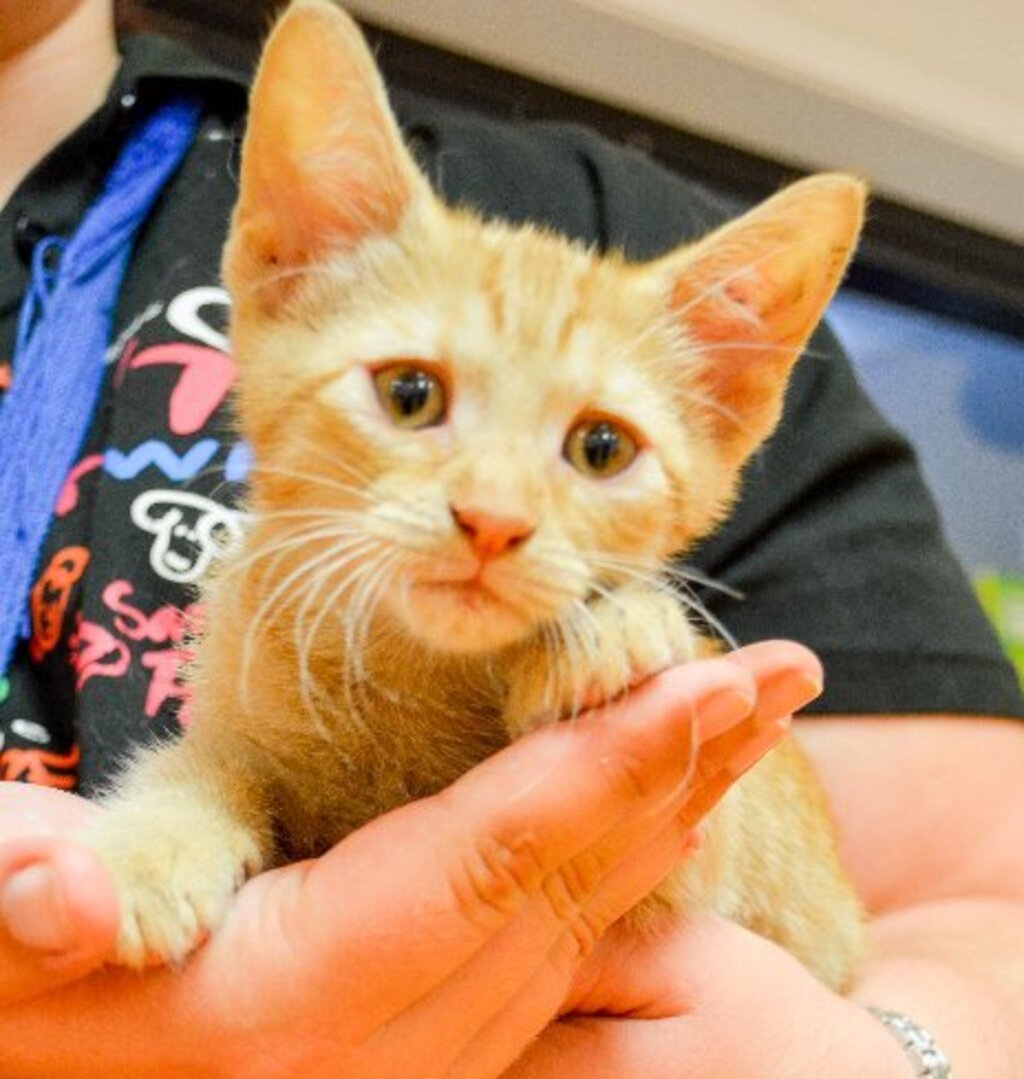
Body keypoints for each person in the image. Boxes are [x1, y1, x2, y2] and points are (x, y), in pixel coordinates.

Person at [1, 0, 1022, 1075]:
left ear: (725, 410)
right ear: (286, 269)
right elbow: (231, 768)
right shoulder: (268, 613)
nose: (493, 508)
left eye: (595, 447)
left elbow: (978, 906)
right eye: (411, 392)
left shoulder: (599, 209)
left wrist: (872, 1060)